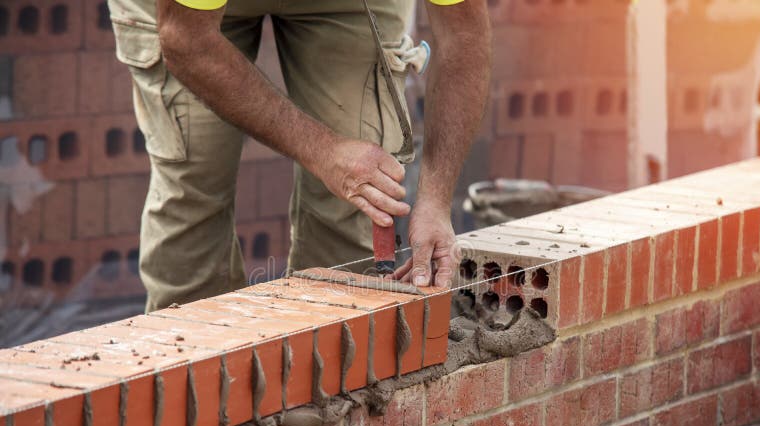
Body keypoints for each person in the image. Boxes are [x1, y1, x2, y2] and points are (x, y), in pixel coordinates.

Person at [108, 0, 491, 312]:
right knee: (194, 187)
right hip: (187, 16)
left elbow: (464, 33)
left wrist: (436, 200)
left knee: (360, 198)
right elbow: (186, 39)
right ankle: (194, 380)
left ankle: (331, 387)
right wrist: (323, 151)